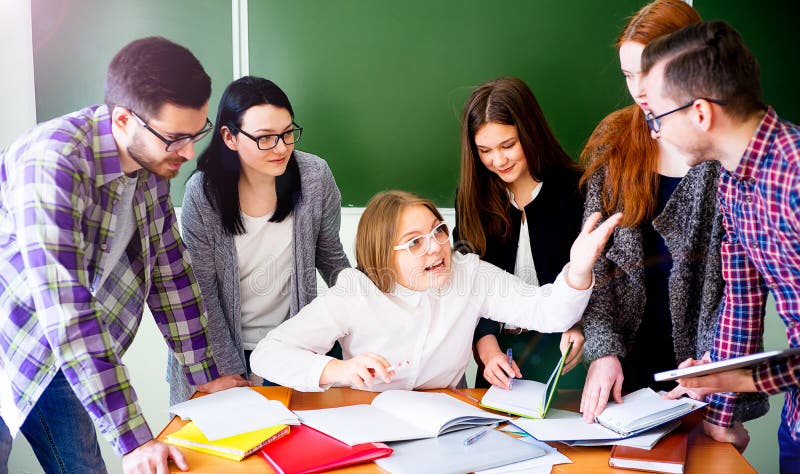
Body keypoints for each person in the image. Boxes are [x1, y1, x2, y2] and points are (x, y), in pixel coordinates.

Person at [0, 37, 249, 474]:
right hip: (20, 344)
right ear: (122, 120)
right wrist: (134, 438)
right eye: (175, 137)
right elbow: (67, 312)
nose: (189, 151)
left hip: (68, 355)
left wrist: (205, 374)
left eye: (195, 132)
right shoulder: (53, 161)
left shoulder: (152, 165)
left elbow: (169, 272)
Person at [639, 20, 800, 474]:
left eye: (657, 117)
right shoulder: (732, 183)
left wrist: (748, 378)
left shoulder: (795, 177)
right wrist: (721, 411)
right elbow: (742, 302)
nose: (656, 132)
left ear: (701, 112)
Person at [577, 0, 761, 424]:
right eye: (628, 75)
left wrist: (716, 374)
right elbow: (596, 262)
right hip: (623, 374)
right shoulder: (615, 142)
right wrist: (603, 350)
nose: (639, 89)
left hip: (703, 371)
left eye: (648, 72)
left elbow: (740, 288)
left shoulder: (722, 151)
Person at [250, 190, 621, 392]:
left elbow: (552, 312)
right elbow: (267, 355)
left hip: (444, 426)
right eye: (414, 243)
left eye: (438, 231)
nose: (436, 247)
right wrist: (338, 369)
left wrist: (579, 268)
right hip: (367, 426)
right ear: (383, 255)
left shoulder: (470, 274)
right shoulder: (356, 291)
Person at [167, 76, 350, 404]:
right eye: (266, 138)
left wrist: (369, 313)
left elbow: (332, 258)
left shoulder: (314, 176)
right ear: (230, 137)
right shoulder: (203, 193)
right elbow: (202, 291)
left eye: (287, 133)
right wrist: (230, 369)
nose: (281, 148)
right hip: (219, 354)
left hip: (289, 348)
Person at [454, 77, 585, 390]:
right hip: (498, 356)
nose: (498, 161)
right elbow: (465, 282)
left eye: (508, 145)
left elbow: (598, 276)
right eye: (485, 150)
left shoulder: (576, 190)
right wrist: (486, 349)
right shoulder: (471, 197)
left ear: (530, 132)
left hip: (564, 353)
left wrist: (581, 327)